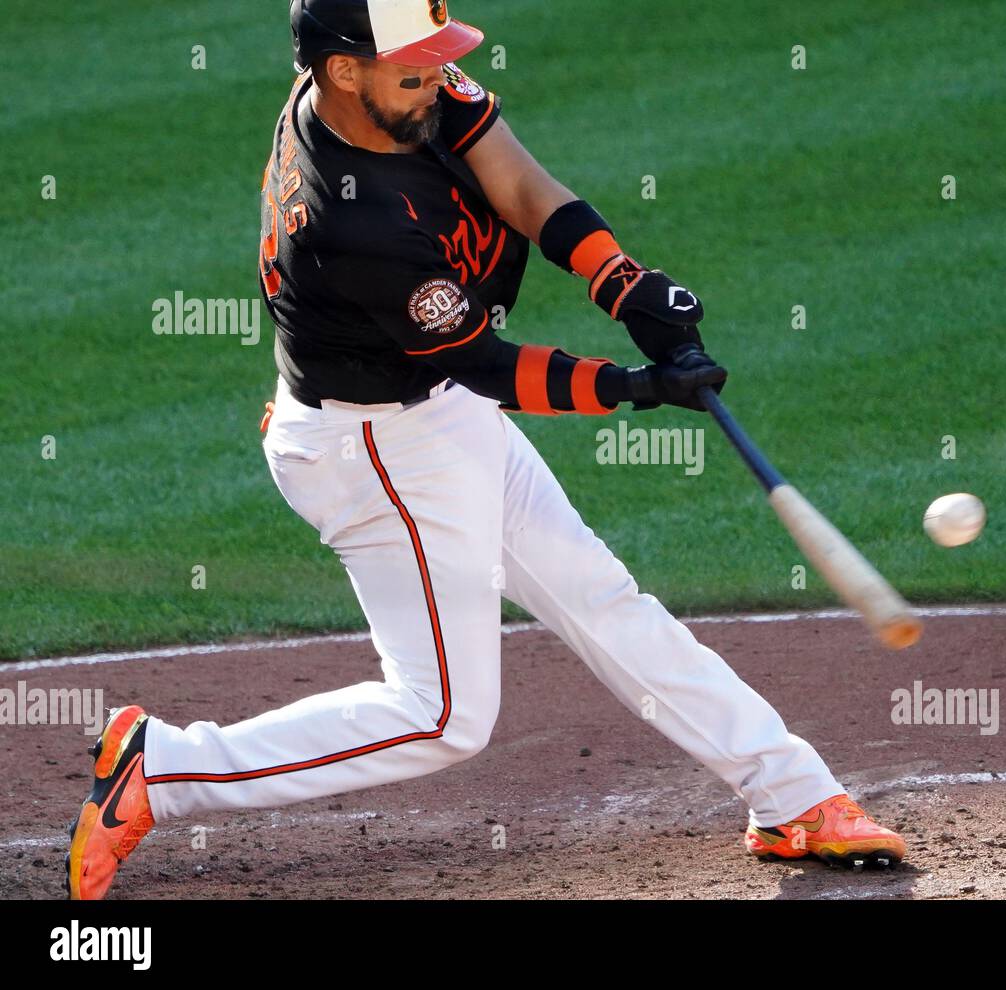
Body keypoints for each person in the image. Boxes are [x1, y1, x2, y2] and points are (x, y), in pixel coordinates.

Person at [66, 0, 906, 900]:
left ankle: (794, 796)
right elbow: (488, 367)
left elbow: (519, 185)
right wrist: (632, 387)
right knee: (441, 716)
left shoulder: (400, 88)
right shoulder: (350, 224)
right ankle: (162, 769)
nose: (434, 77)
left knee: (599, 597)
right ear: (342, 70)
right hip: (375, 449)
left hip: (426, 413)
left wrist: (626, 286)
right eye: (411, 66)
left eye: (437, 58)